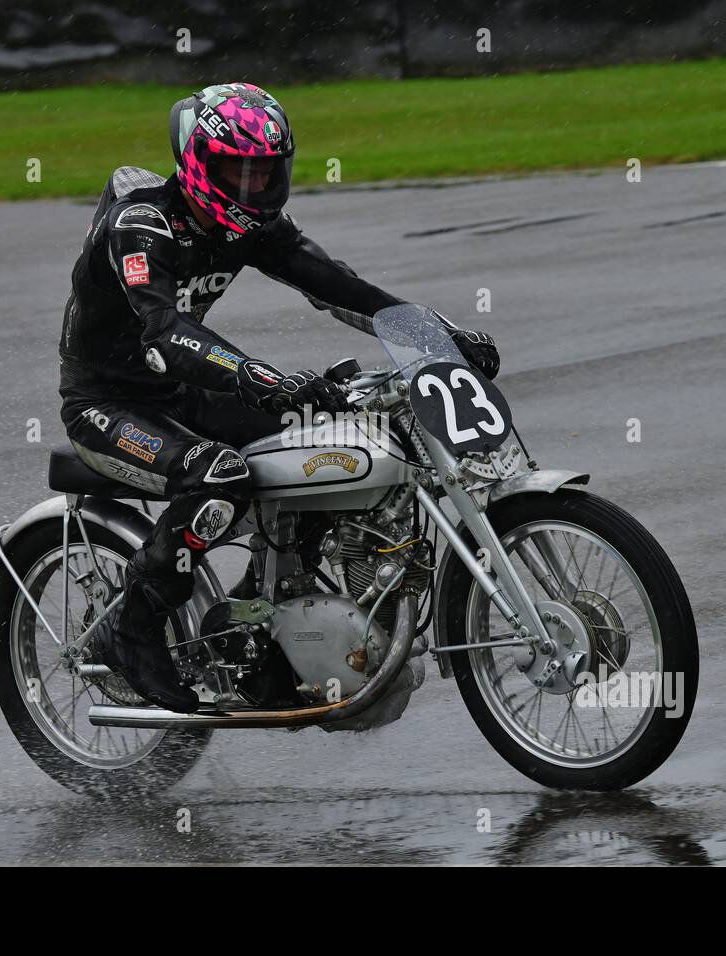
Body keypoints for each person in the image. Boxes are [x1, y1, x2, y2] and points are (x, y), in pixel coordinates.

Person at [58, 81, 500, 712]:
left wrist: (443, 338)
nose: (252, 192)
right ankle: (132, 632)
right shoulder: (141, 226)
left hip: (186, 395)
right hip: (106, 404)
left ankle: (256, 628)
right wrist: (261, 377)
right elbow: (163, 334)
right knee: (218, 478)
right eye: (236, 174)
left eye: (265, 176)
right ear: (195, 166)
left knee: (322, 442)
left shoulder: (254, 229)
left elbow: (343, 289)